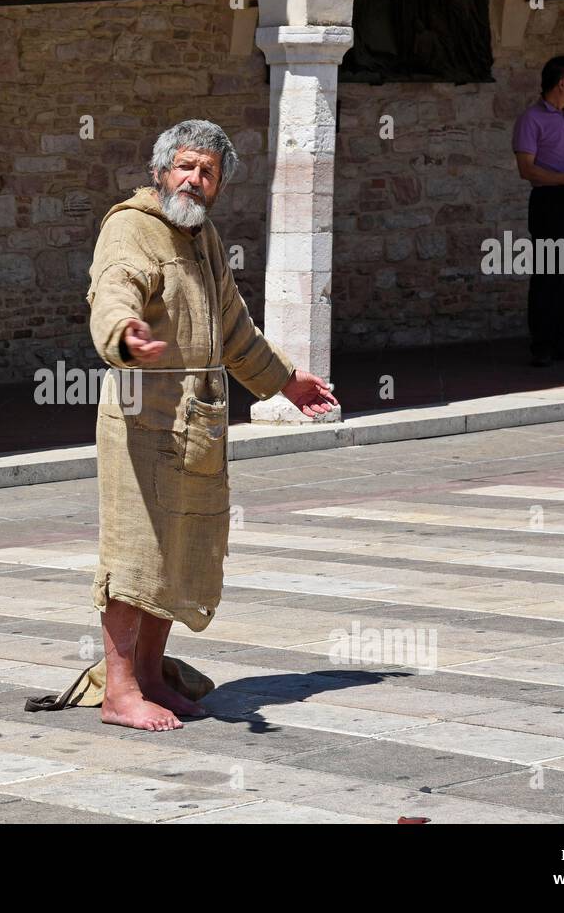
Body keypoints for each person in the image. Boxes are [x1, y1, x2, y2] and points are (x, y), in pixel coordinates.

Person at [78, 120, 338, 731]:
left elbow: (235, 329)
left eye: (208, 172)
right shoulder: (131, 226)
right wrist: (124, 332)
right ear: (160, 172)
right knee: (135, 553)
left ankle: (150, 677)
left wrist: (286, 381)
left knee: (181, 552)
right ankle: (118, 692)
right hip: (142, 420)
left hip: (197, 422)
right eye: (186, 167)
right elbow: (112, 289)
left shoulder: (205, 237)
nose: (194, 180)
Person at [512, 54, 564, 367]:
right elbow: (526, 169)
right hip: (551, 203)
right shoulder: (530, 119)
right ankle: (542, 343)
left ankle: (559, 338)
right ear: (562, 83)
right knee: (548, 274)